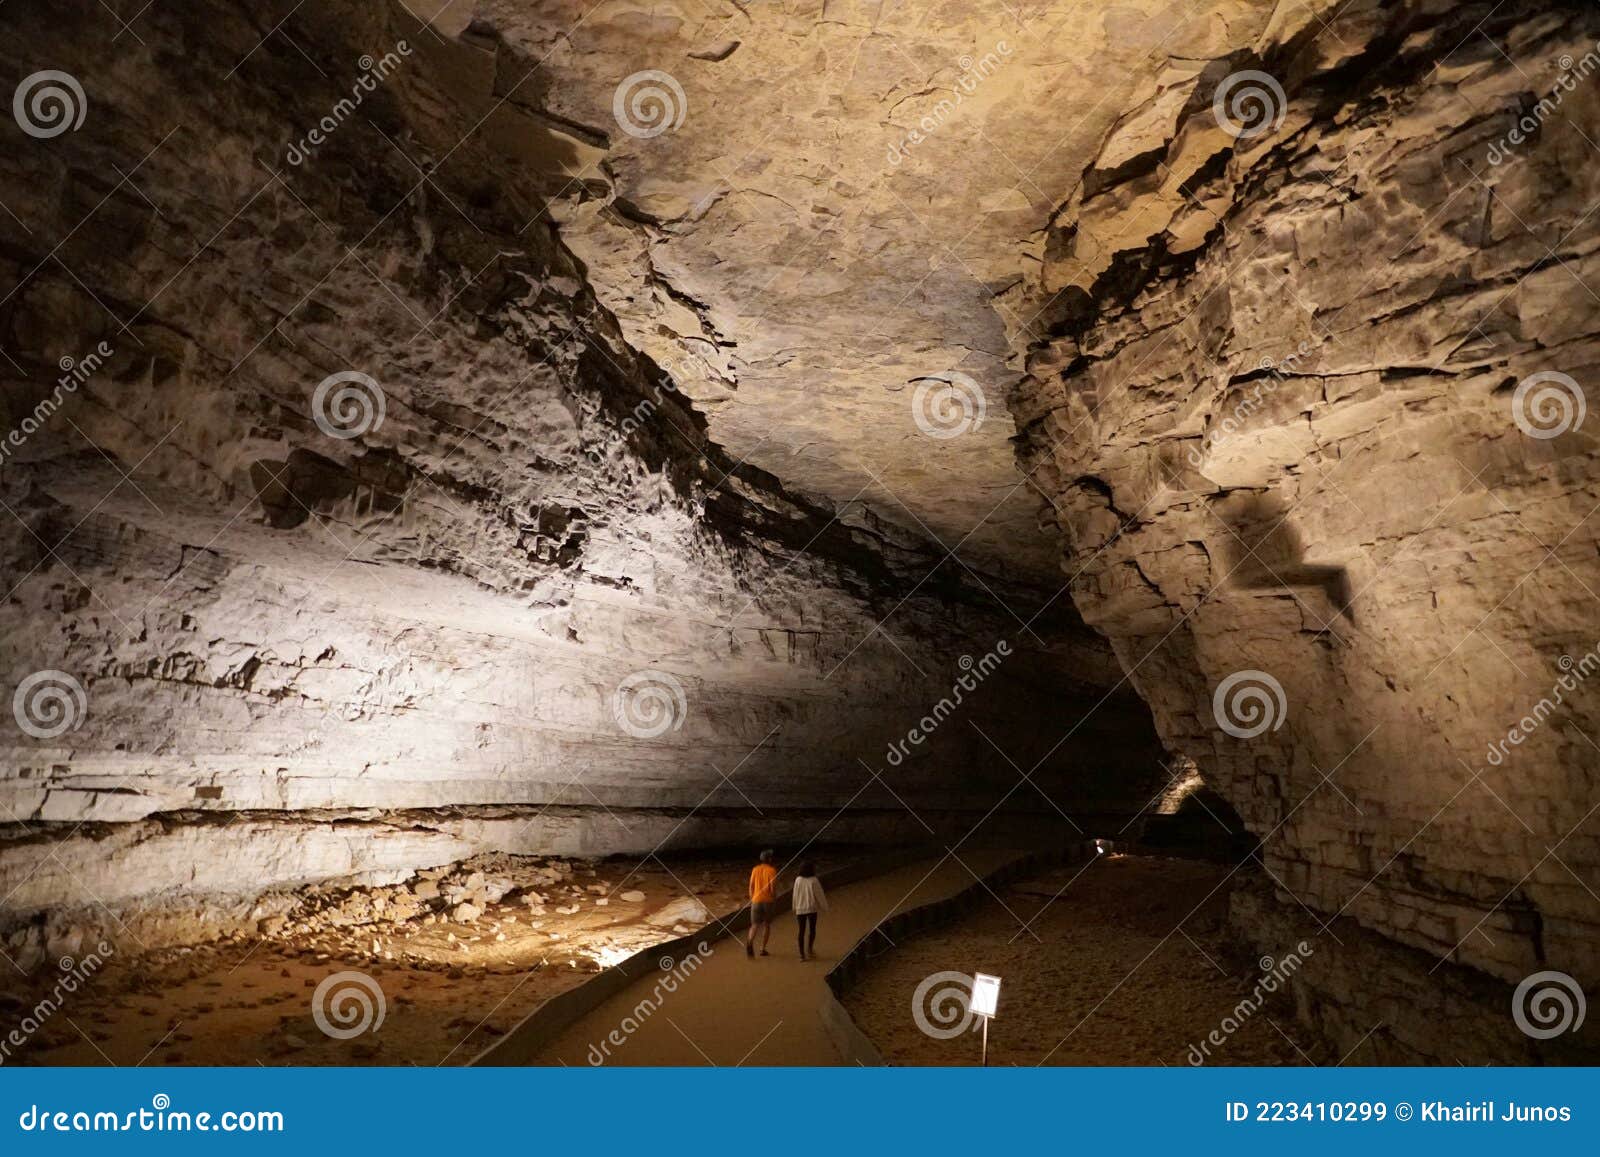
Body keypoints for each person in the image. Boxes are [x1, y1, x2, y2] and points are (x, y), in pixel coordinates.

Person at [791, 861, 827, 961]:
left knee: (801, 931)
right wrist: (824, 907)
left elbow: (795, 894)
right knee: (812, 930)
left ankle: (802, 955)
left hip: (800, 908)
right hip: (812, 908)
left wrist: (794, 906)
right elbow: (820, 895)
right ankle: (810, 949)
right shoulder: (814, 880)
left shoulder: (798, 880)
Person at [746, 849, 778, 957]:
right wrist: (774, 898)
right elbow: (772, 888)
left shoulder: (755, 869)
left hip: (756, 900)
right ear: (769, 859)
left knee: (754, 925)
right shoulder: (772, 870)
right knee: (767, 925)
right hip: (768, 901)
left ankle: (750, 942)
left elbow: (751, 886)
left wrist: (752, 898)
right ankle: (762, 949)